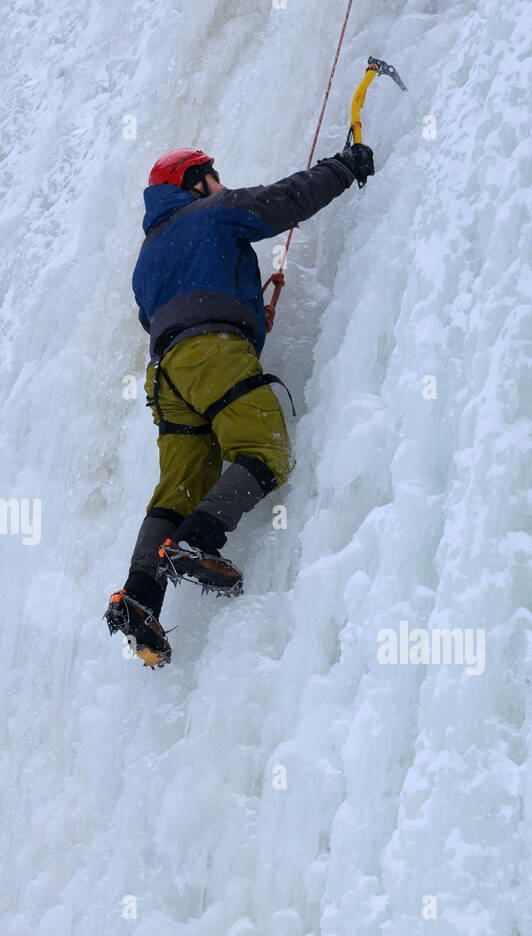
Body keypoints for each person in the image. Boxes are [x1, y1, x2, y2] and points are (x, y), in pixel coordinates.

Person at [105, 141, 374, 667]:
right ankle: (199, 541)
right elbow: (285, 200)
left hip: (166, 376)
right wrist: (344, 167)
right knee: (265, 447)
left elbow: (164, 312)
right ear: (192, 182)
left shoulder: (148, 255)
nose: (221, 183)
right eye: (213, 174)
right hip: (212, 351)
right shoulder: (213, 213)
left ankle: (139, 594)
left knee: (177, 488)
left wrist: (247, 314)